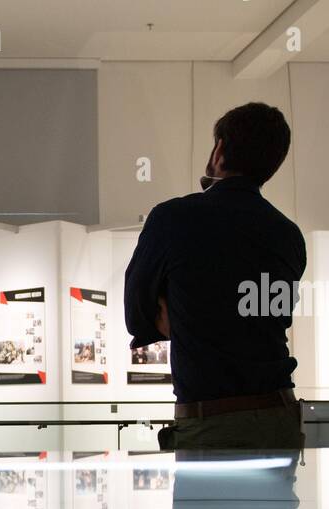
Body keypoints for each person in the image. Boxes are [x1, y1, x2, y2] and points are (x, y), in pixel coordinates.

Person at [125, 102, 306, 452]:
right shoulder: (288, 234)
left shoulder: (173, 218)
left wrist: (189, 318)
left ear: (219, 150)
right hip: (280, 418)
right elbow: (269, 315)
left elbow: (137, 314)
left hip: (211, 424)